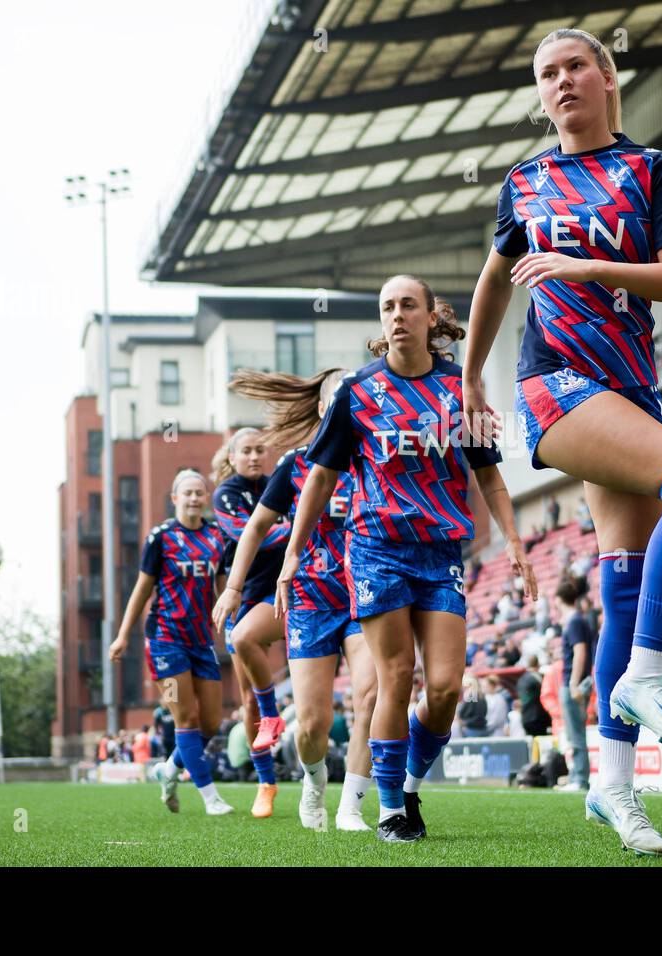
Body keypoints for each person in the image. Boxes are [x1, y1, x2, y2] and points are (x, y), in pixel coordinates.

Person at [465, 27, 662, 857]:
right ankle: (649, 677)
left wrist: (587, 269)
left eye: (576, 64)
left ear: (607, 78)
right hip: (556, 390)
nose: (562, 80)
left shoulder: (651, 169)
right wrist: (470, 378)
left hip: (629, 390)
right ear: (541, 95)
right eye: (547, 74)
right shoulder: (524, 182)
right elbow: (494, 281)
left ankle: (612, 787)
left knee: (621, 583)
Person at [274, 276, 536, 844]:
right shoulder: (357, 393)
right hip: (375, 551)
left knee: (443, 689)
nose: (396, 315)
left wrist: (514, 541)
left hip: (441, 552)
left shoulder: (460, 389)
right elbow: (320, 478)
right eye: (387, 306)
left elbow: (488, 475)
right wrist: (293, 554)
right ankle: (390, 809)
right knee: (396, 677)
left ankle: (411, 787)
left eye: (407, 305)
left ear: (428, 318)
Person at [213, 367, 380, 831]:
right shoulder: (296, 464)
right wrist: (233, 587)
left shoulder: (382, 460)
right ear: (326, 408)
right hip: (307, 600)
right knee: (312, 724)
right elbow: (256, 528)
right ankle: (312, 779)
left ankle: (351, 806)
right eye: (342, 396)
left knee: (369, 696)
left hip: (365, 596)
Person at [110, 470, 234, 816]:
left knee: (211, 723)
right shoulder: (161, 537)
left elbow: (222, 587)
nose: (195, 498)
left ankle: (169, 769)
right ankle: (211, 798)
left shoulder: (216, 537)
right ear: (175, 498)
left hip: (201, 642)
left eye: (200, 492)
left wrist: (232, 622)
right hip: (165, 641)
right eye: (188, 493)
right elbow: (142, 588)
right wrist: (122, 634)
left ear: (206, 497)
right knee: (186, 717)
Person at [209, 427, 289, 817]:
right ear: (232, 457)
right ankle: (265, 783)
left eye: (260, 450)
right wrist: (295, 528)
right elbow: (249, 535)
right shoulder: (226, 493)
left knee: (308, 692)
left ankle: (313, 772)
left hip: (291, 590)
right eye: (246, 451)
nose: (255, 457)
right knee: (247, 703)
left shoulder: (283, 480)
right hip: (248, 595)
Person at [555, 577, 595, 792]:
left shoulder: (575, 621)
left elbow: (580, 652)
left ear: (558, 599)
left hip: (572, 682)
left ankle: (579, 779)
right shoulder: (575, 621)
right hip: (573, 680)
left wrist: (573, 682)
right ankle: (576, 776)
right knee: (573, 733)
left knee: (576, 733)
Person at [516, 654, 552, 736]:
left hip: (525, 717)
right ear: (538, 664)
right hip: (538, 718)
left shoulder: (521, 679)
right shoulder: (536, 678)